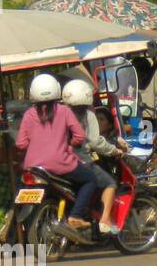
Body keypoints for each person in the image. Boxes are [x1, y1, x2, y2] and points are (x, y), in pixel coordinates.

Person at [14, 74, 100, 230]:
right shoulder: (64, 111)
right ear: (57, 91)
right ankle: (75, 215)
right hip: (61, 164)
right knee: (90, 179)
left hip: (33, 168)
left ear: (33, 93)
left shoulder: (28, 114)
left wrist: (34, 145)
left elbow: (20, 144)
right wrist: (68, 144)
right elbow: (80, 136)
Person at [62, 78, 126, 235]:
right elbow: (95, 142)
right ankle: (104, 220)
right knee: (109, 183)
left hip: (58, 159)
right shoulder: (88, 115)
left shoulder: (60, 113)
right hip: (80, 159)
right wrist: (114, 151)